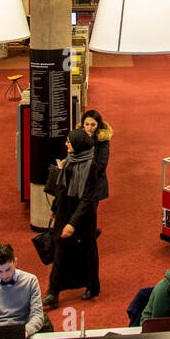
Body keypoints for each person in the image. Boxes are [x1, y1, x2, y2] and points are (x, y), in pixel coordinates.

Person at [42, 127, 101, 307]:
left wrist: (73, 224)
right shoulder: (69, 161)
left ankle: (92, 286)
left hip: (83, 217)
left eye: (69, 141)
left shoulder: (91, 166)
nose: (66, 143)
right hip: (65, 210)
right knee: (60, 251)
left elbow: (87, 198)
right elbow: (62, 187)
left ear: (78, 144)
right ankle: (53, 292)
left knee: (88, 250)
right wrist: (55, 207)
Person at [0, 244, 47, 337]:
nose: (4, 275)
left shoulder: (30, 281)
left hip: (22, 331)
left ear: (15, 262)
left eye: (8, 269)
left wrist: (26, 332)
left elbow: (38, 315)